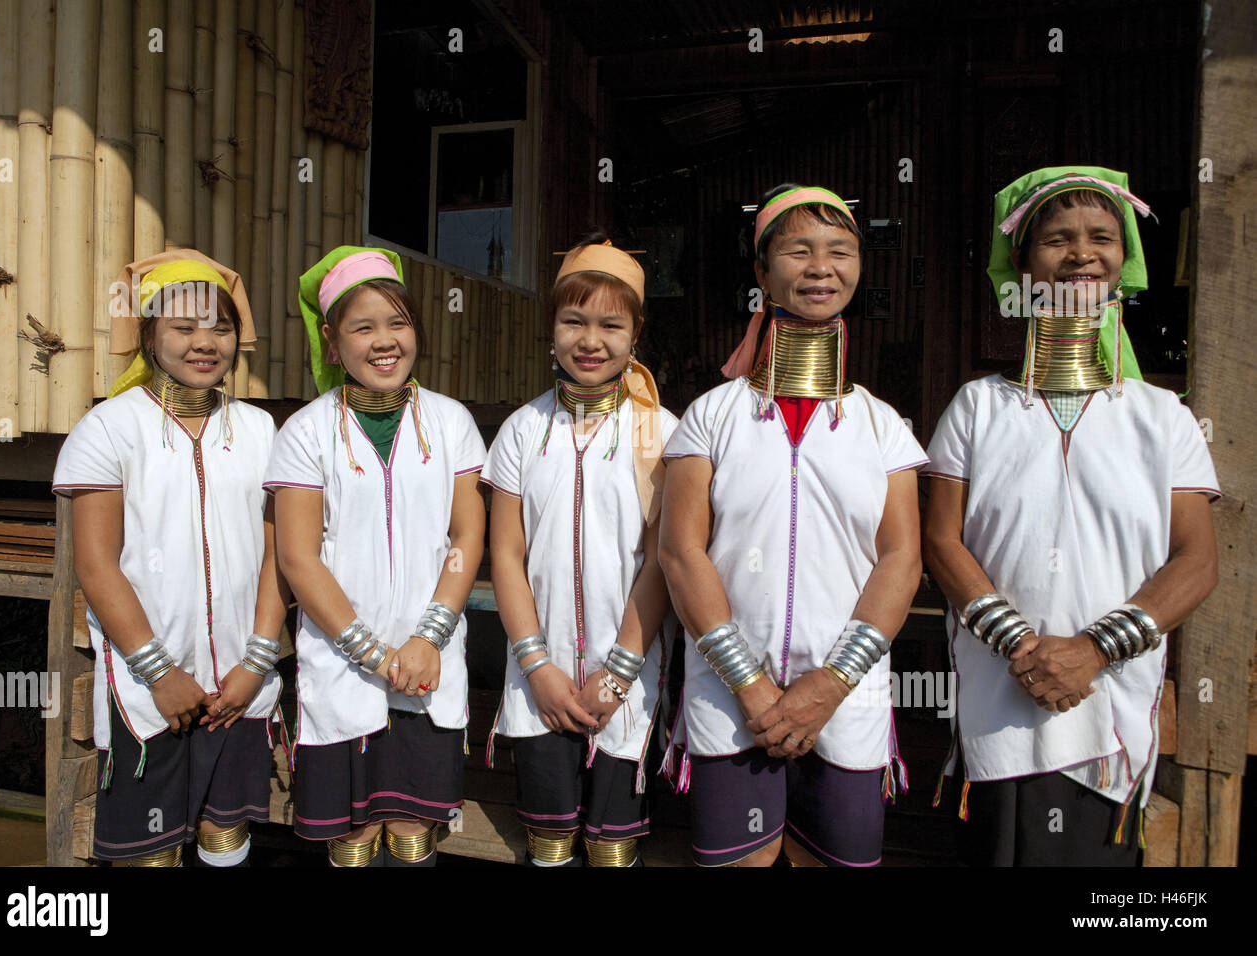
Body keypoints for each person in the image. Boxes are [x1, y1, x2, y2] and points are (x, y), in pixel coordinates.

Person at [922, 166, 1220, 866]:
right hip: (1001, 693)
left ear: (1126, 261)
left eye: (1101, 238)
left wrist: (1091, 650)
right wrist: (1024, 648)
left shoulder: (1160, 417)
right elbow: (941, 541)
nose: (1081, 253)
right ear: (1022, 263)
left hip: (1106, 704)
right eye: (1056, 239)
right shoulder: (979, 406)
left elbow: (1197, 560)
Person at [659, 185, 926, 866]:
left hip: (846, 696)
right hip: (730, 697)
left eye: (840, 251)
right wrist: (749, 683)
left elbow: (903, 560)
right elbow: (681, 552)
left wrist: (830, 685)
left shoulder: (881, 425)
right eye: (797, 250)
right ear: (762, 272)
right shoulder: (712, 415)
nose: (820, 266)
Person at [53, 250, 286, 866]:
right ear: (149, 335)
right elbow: (96, 565)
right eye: (184, 327)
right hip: (147, 692)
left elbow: (277, 556)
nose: (205, 342)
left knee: (226, 842)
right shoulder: (109, 429)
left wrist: (257, 663)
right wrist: (160, 673)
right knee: (148, 855)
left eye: (221, 327)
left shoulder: (262, 432)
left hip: (240, 686)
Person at [266, 246, 486, 866]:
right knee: (352, 843)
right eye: (363, 327)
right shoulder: (306, 433)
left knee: (414, 839)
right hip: (344, 669)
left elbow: (466, 539)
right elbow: (298, 557)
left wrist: (427, 639)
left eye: (398, 323)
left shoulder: (450, 423)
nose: (385, 341)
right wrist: (374, 653)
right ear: (333, 343)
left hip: (428, 667)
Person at [482, 236, 677, 867]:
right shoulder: (521, 429)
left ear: (635, 333)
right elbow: (505, 554)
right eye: (574, 321)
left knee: (613, 849)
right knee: (549, 841)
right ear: (553, 327)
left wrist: (618, 674)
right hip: (539, 677)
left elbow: (663, 558)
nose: (590, 340)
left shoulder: (663, 434)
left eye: (609, 325)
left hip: (630, 680)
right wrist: (537, 666)